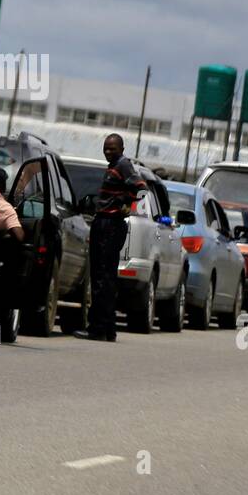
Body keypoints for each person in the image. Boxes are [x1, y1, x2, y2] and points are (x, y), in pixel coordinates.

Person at [77, 133, 146, 341]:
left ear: (121, 149)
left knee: (102, 278)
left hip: (110, 225)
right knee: (104, 278)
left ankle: (97, 329)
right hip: (104, 223)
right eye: (106, 148)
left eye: (112, 148)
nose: (108, 152)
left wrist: (124, 203)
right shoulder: (113, 166)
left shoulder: (123, 165)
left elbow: (142, 189)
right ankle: (108, 329)